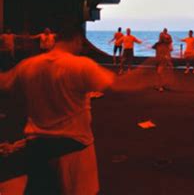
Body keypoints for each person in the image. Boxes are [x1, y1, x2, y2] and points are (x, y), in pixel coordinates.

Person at [0, 30, 152, 194]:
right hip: (74, 146)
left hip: (37, 146)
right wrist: (150, 68)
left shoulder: (29, 65)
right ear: (77, 40)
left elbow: (4, 82)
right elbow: (117, 87)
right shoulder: (80, 65)